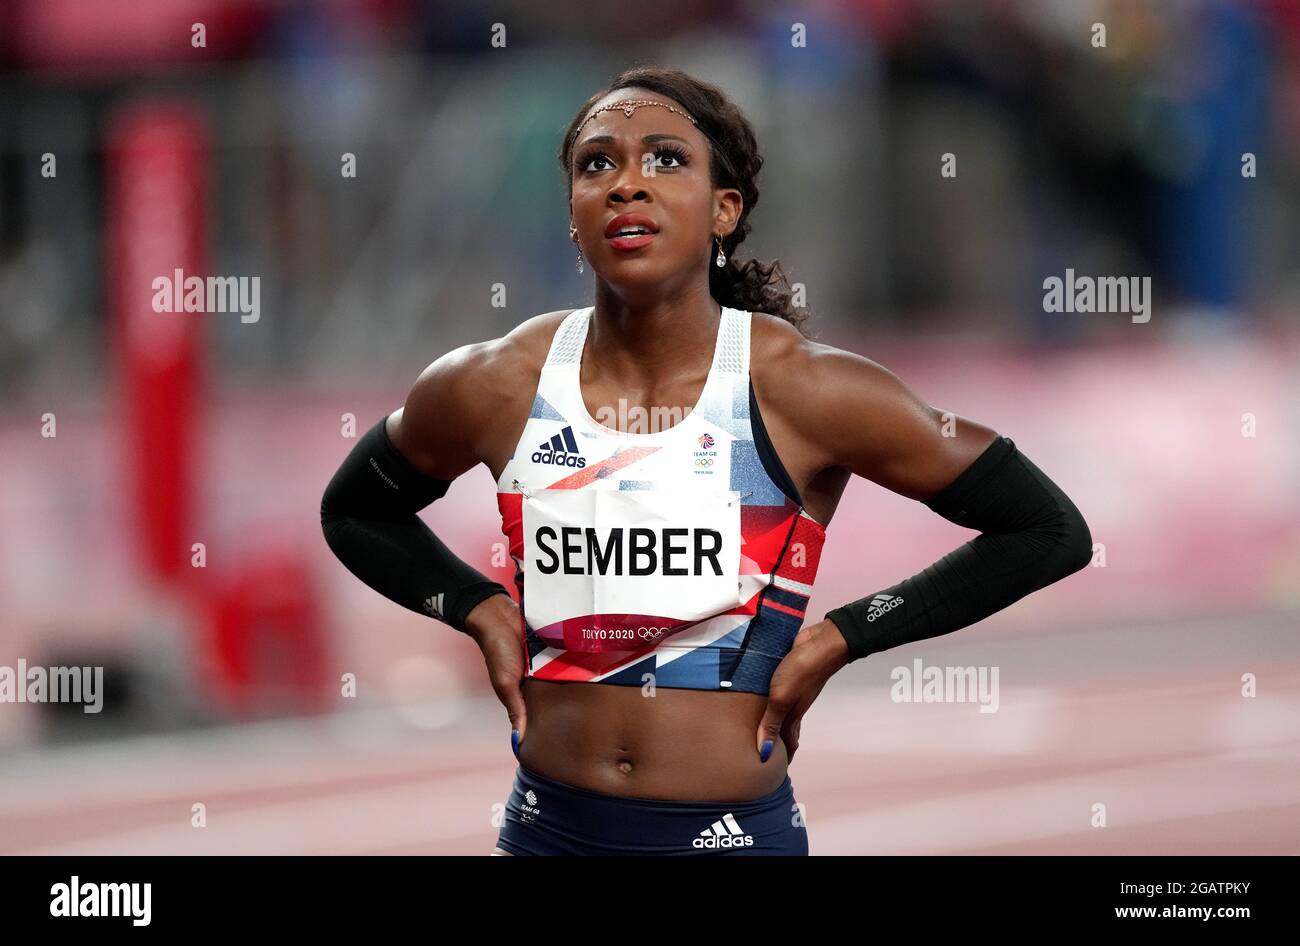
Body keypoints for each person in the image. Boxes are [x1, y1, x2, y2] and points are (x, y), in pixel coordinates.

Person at [319, 66, 1092, 856]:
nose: (627, 185)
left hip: (729, 837)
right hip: (545, 832)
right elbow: (354, 509)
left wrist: (839, 639)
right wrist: (475, 608)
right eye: (597, 164)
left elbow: (1046, 529)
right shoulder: (494, 383)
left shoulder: (802, 388)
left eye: (664, 160)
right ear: (573, 217)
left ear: (725, 211)